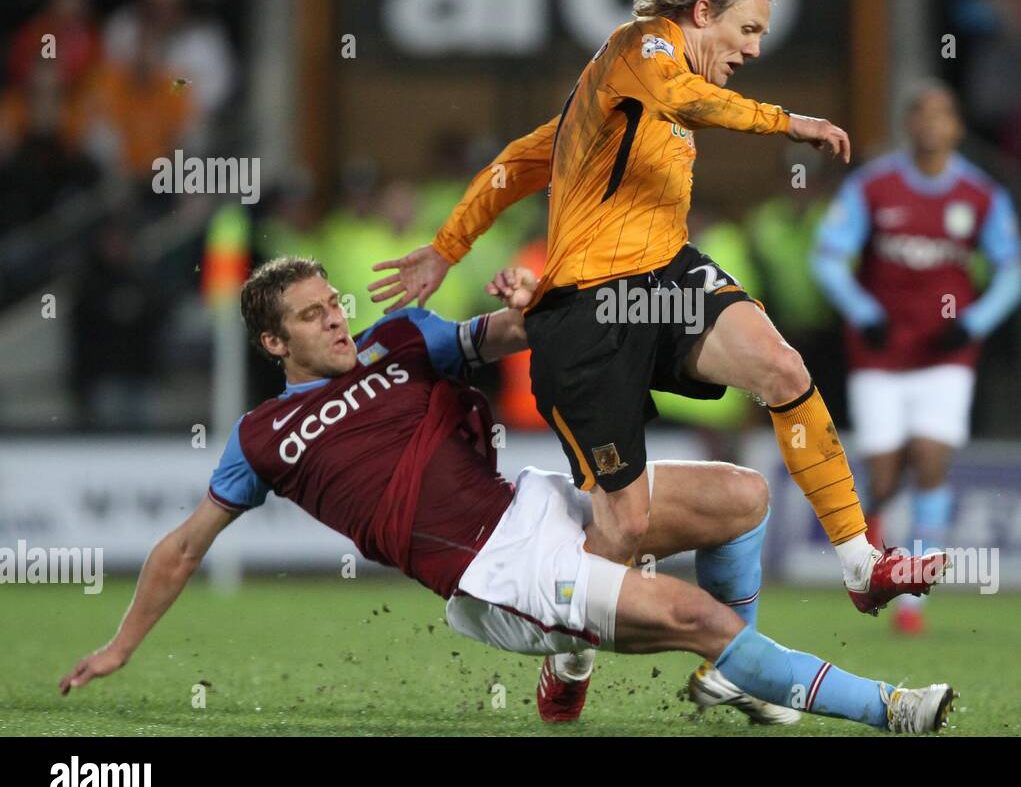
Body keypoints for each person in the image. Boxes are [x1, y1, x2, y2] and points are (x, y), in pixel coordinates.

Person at [59, 256, 956, 733]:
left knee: (744, 495)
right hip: (499, 573)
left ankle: (723, 680)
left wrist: (542, 296)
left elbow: (508, 333)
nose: (336, 318)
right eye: (311, 314)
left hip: (529, 501)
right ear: (271, 343)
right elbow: (184, 544)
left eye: (333, 301)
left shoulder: (399, 339)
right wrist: (119, 644)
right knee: (703, 618)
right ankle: (889, 708)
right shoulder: (262, 437)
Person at [368, 0, 947, 614]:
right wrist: (790, 123)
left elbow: (522, 161)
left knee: (784, 370)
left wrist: (446, 245)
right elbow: (632, 119)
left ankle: (859, 563)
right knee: (627, 526)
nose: (755, 48)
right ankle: (569, 658)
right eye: (748, 28)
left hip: (668, 279)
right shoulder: (641, 49)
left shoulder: (630, 94)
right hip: (588, 311)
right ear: (703, 12)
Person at [811, 80, 1021, 634]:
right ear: (909, 125)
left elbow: (1013, 272)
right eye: (921, 114)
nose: (931, 124)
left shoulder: (981, 197)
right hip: (880, 355)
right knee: (881, 480)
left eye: (942, 114)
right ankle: (874, 575)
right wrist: (864, 313)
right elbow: (828, 259)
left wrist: (973, 323)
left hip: (944, 355)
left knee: (931, 460)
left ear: (957, 127)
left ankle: (913, 602)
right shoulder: (873, 188)